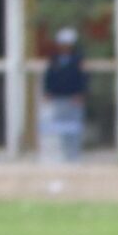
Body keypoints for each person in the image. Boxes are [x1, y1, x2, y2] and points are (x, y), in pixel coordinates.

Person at [41, 28, 87, 161]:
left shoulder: (78, 59)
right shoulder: (54, 59)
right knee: (60, 125)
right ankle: (63, 153)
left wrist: (80, 93)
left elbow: (83, 77)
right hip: (57, 97)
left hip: (73, 98)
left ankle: (74, 154)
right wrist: (47, 92)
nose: (64, 46)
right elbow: (48, 76)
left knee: (74, 126)